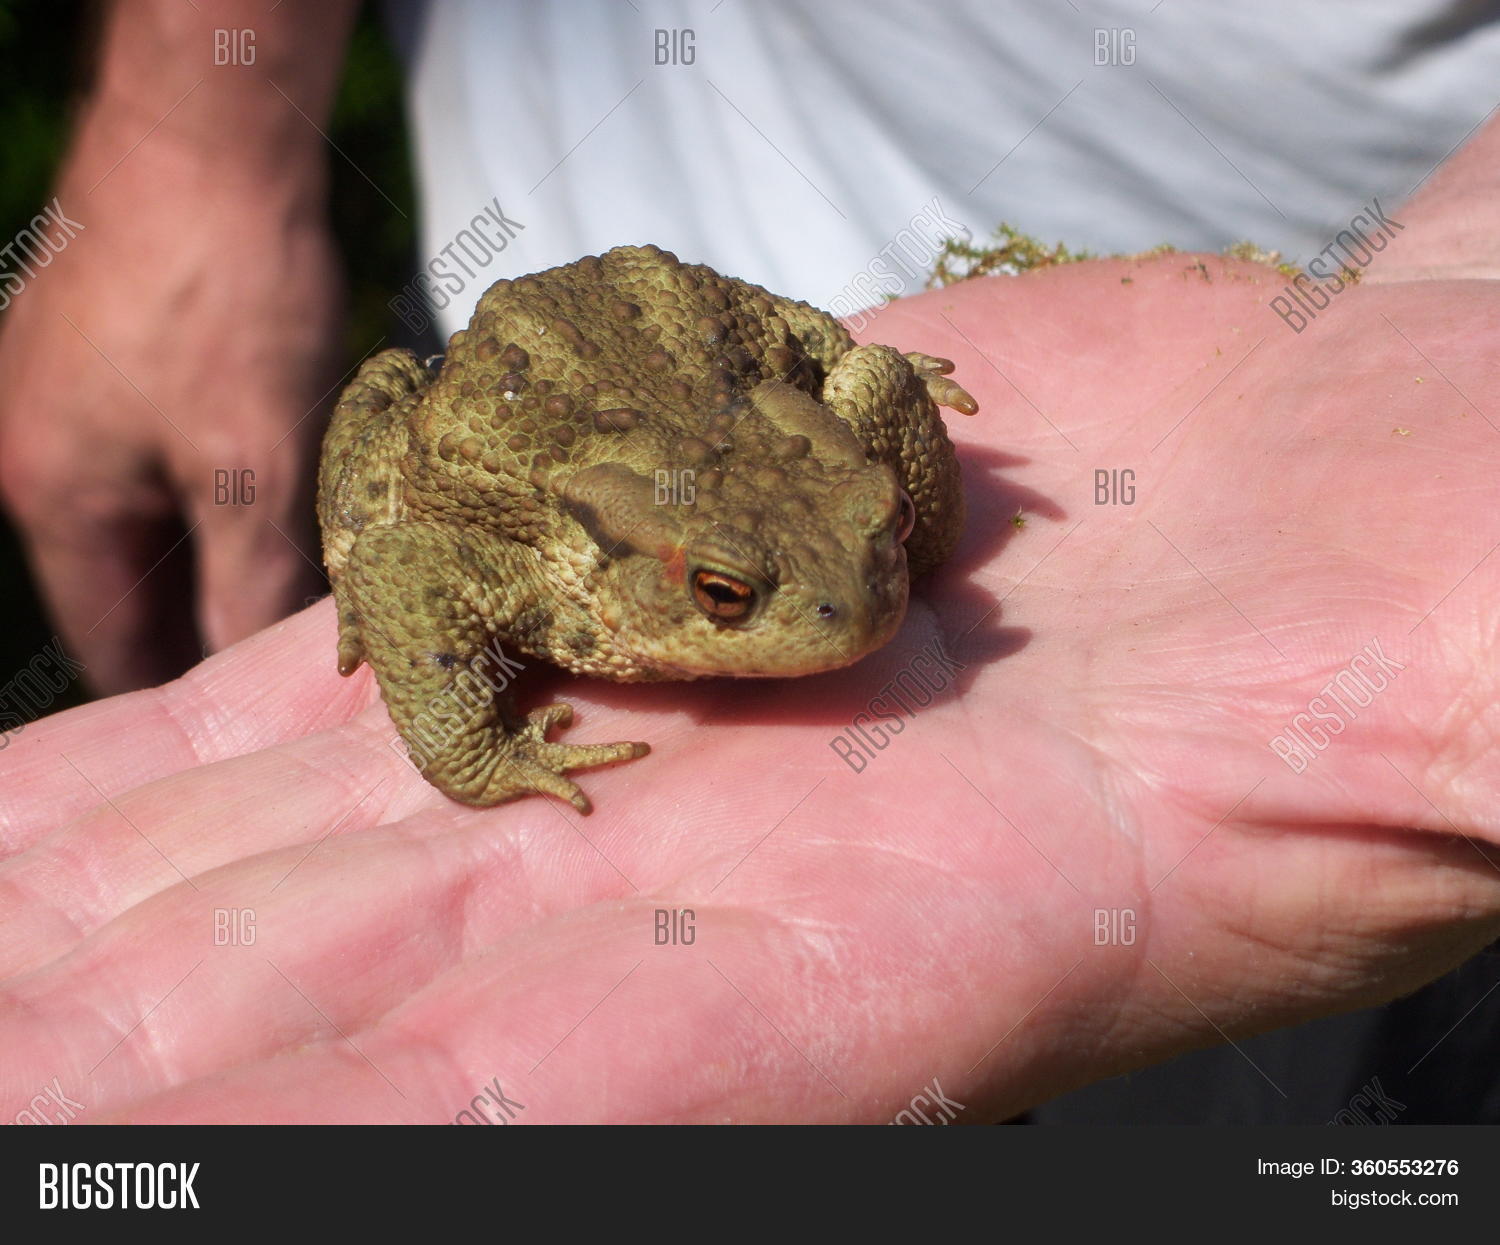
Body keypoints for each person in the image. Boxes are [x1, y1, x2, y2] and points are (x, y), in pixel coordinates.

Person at [0, 0, 1497, 1123]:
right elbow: (408, 575)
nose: (854, 608)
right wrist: (472, 743)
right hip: (533, 393)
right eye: (733, 601)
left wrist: (1460, 279)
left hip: (731, 372)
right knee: (392, 415)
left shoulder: (840, 437)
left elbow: (863, 377)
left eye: (873, 543)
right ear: (658, 585)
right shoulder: (559, 570)